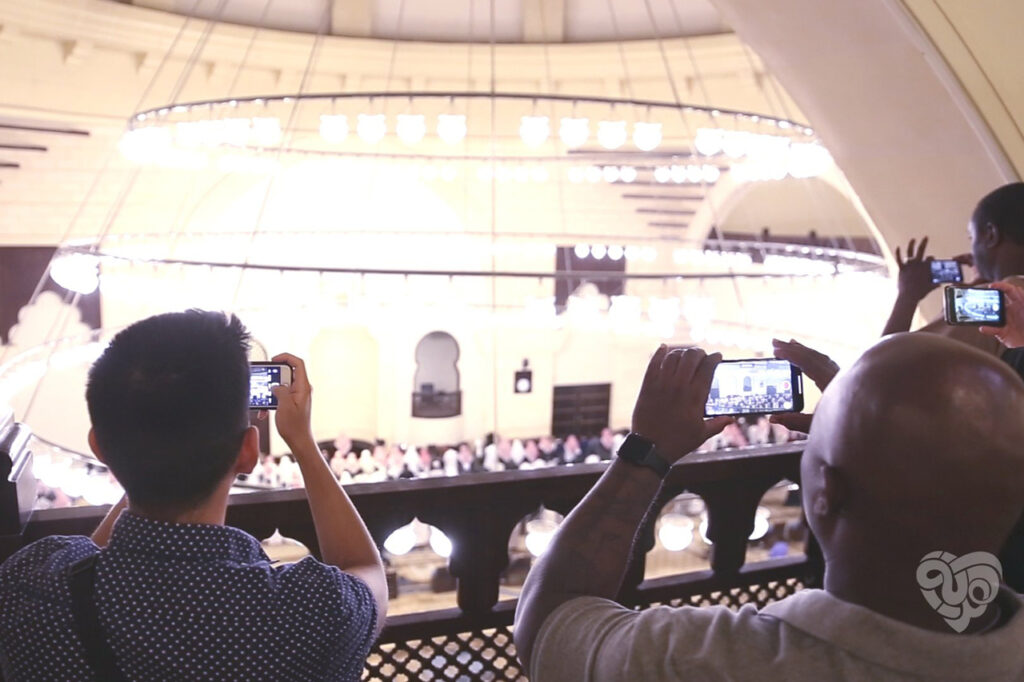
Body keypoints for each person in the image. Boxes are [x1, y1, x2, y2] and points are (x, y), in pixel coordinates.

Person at [515, 337, 1024, 681]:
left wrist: (646, 450)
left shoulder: (713, 659)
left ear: (826, 492)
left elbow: (547, 626)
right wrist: (860, 431)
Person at [0, 310, 387, 681]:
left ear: (100, 448)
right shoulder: (307, 613)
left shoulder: (29, 585)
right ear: (249, 451)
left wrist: (143, 453)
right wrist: (302, 443)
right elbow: (367, 573)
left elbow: (89, 561)